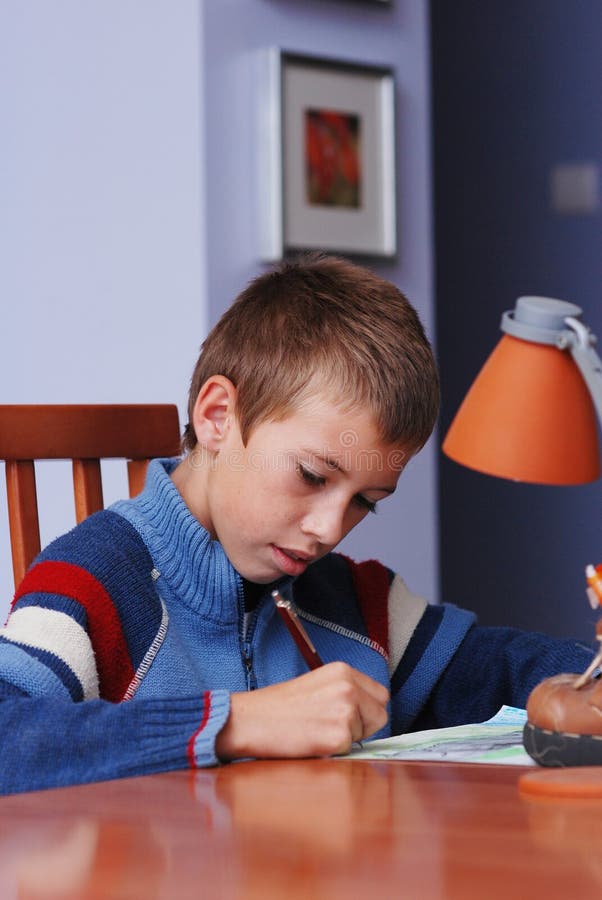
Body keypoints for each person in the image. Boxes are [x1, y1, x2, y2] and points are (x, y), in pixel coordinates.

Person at [0, 254, 594, 794]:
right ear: (217, 417)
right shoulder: (94, 582)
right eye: (312, 476)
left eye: (367, 500)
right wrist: (237, 722)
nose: (331, 529)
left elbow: (501, 667)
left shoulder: (355, 604)